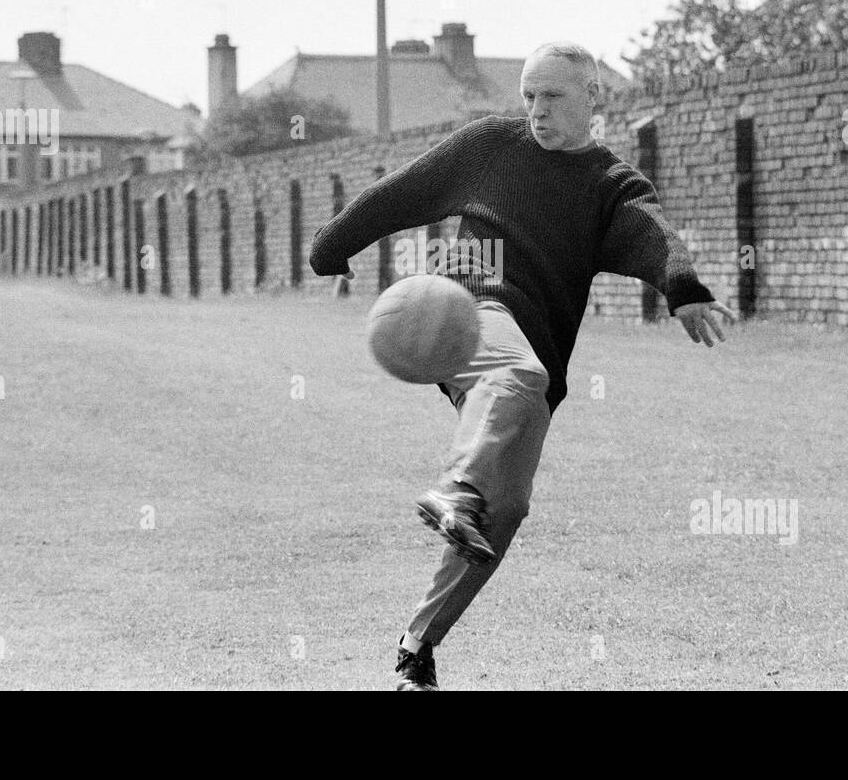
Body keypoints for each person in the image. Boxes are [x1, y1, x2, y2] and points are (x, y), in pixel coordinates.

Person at [309, 42, 735, 690]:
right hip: (461, 312)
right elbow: (401, 194)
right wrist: (332, 245)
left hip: (530, 355)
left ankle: (415, 649)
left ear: (595, 98)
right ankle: (457, 484)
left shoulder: (610, 186)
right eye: (529, 96)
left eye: (554, 96)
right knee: (519, 378)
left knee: (505, 507)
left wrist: (683, 287)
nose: (537, 110)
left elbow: (654, 235)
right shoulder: (487, 147)